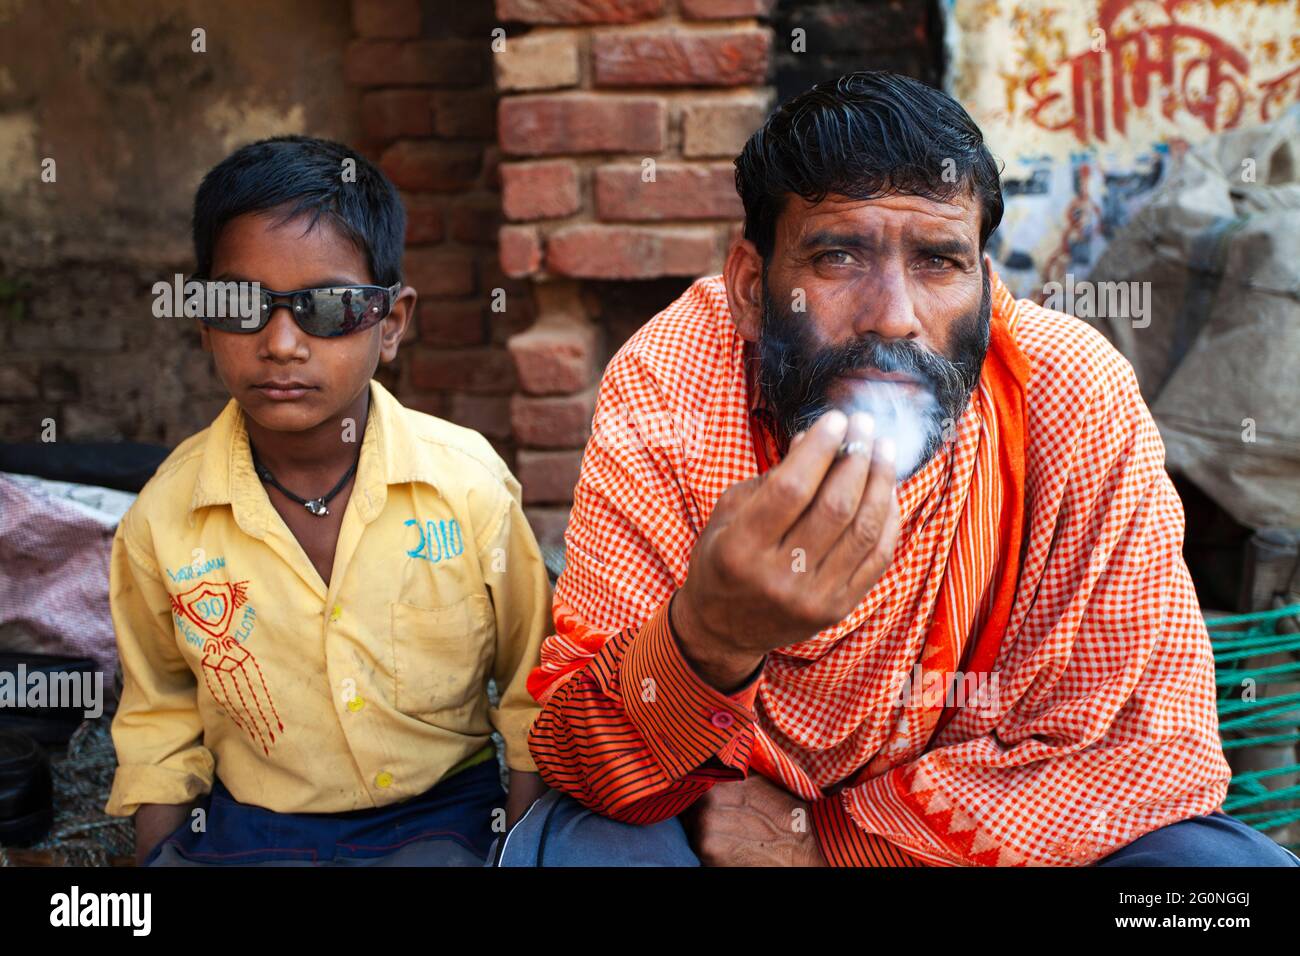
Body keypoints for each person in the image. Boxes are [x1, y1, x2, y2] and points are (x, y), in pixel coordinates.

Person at [498, 73, 1299, 867]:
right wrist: (712, 633)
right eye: (839, 255)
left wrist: (826, 843)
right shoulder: (678, 378)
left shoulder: (1072, 393)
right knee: (589, 846)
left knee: (1219, 879)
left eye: (939, 261)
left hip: (940, 847)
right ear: (750, 287)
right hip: (708, 825)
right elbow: (585, 756)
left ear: (986, 287)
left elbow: (1157, 758)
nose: (894, 315)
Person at [105, 135, 550, 866]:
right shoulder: (163, 518)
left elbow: (533, 694)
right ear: (203, 318)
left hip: (441, 821)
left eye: (330, 306)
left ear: (392, 323)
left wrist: (521, 853)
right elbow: (159, 717)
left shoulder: (467, 488)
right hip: (256, 830)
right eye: (243, 304)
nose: (281, 342)